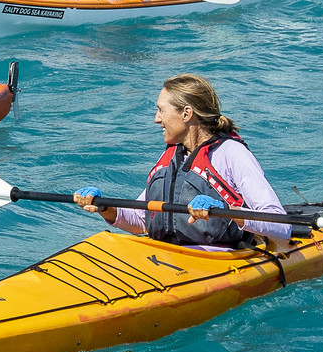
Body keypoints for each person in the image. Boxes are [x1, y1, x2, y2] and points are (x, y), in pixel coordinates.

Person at [73, 72, 290, 248]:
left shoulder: (231, 154)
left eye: (161, 110)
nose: (156, 119)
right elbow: (141, 221)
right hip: (166, 258)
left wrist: (227, 212)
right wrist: (104, 208)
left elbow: (280, 224)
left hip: (216, 262)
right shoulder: (171, 156)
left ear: (187, 114)